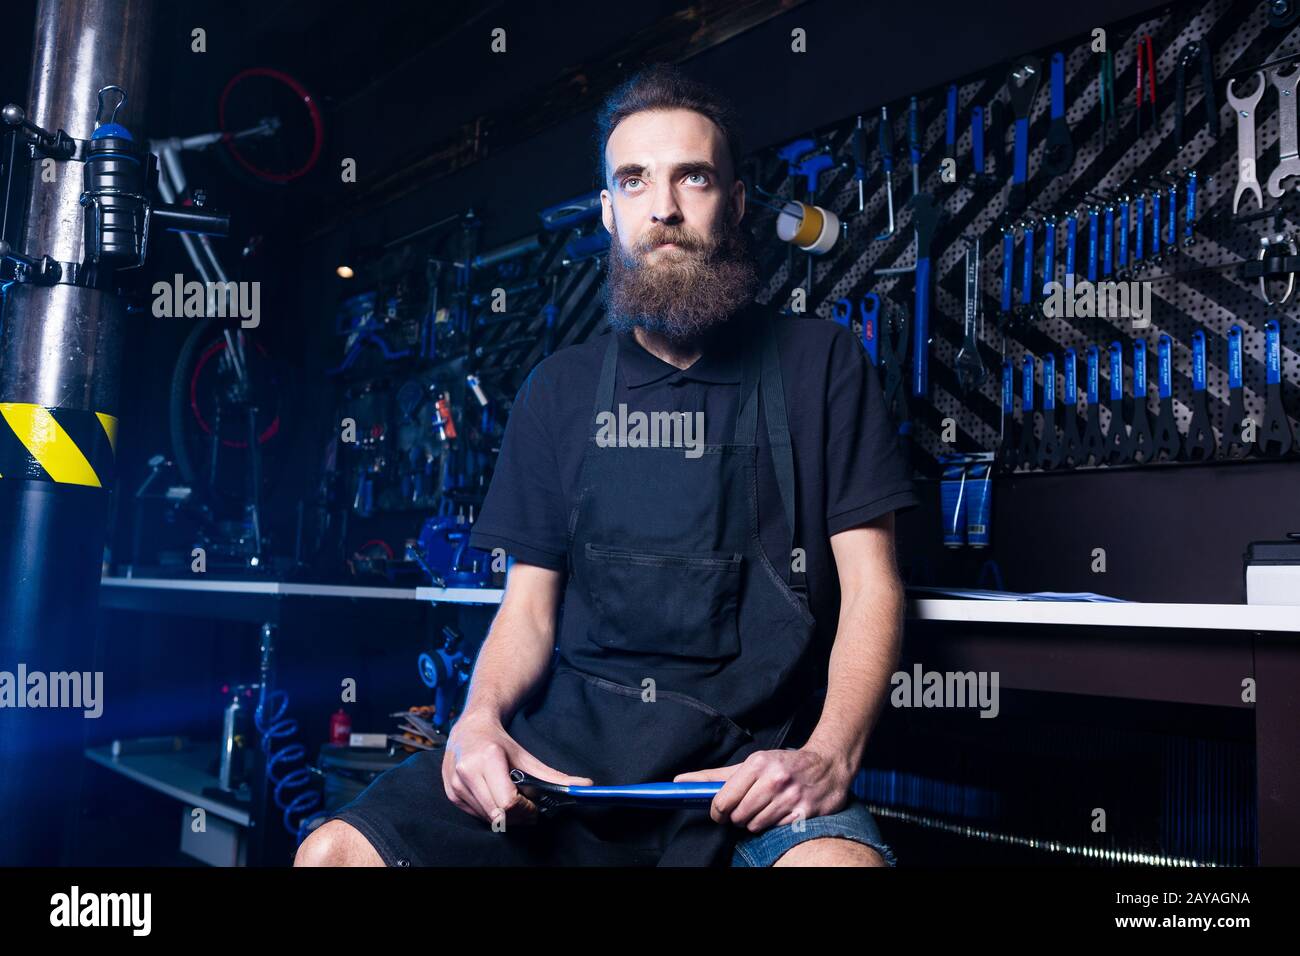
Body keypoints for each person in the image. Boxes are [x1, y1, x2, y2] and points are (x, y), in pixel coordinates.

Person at [296, 63, 916, 868]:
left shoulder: (820, 365)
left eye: (692, 176)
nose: (663, 207)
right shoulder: (558, 390)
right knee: (333, 856)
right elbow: (527, 611)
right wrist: (478, 720)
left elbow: (873, 585)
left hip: (743, 784)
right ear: (608, 211)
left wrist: (830, 753)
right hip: (563, 775)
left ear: (733, 200)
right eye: (633, 181)